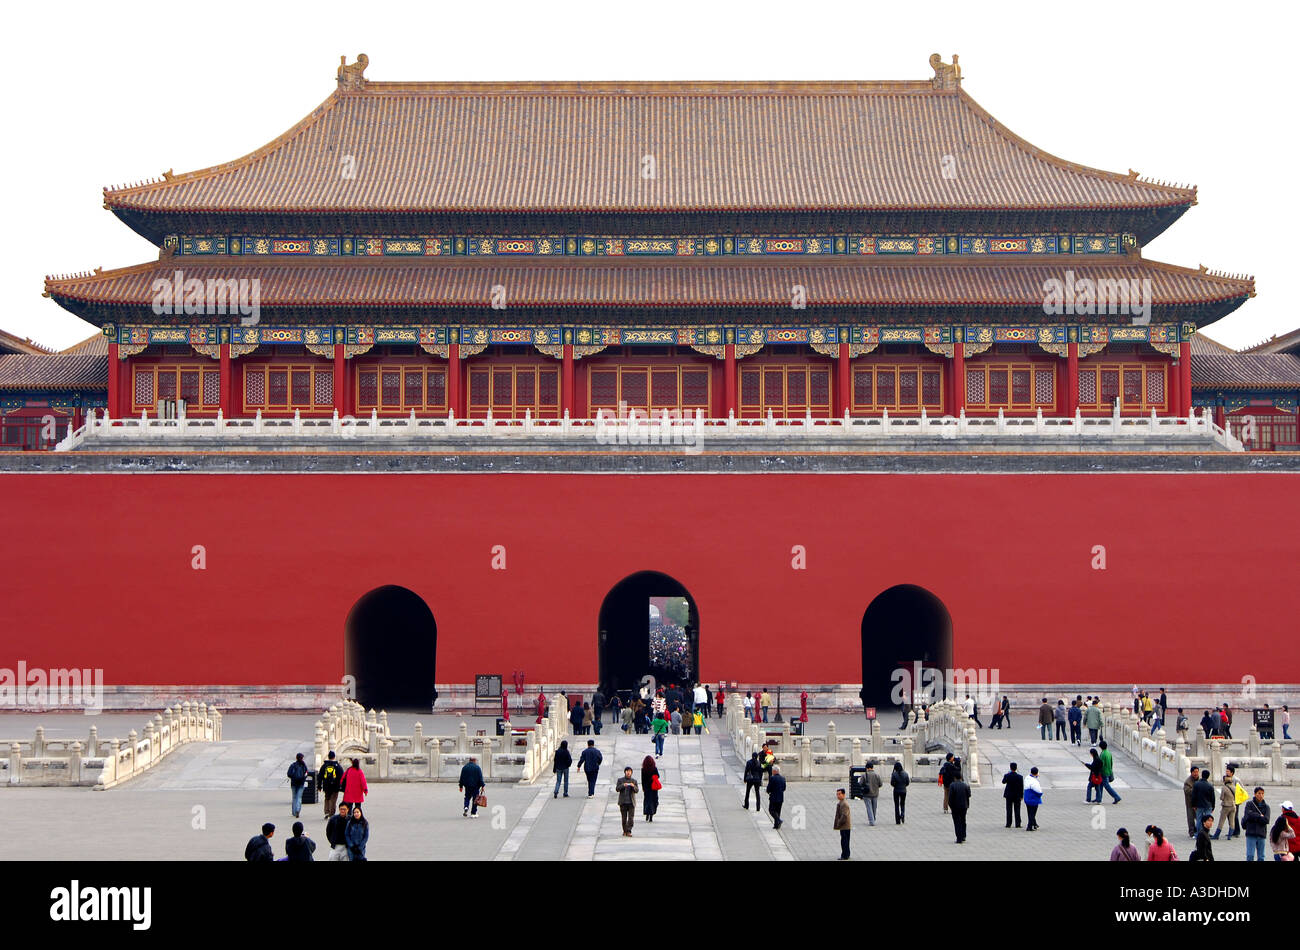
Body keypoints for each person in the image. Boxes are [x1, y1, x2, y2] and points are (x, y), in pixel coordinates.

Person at [1242, 787, 1269, 861]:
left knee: (1261, 857)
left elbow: (1266, 820)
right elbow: (1248, 815)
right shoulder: (1249, 804)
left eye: (1262, 793)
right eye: (1259, 793)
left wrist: (1254, 815)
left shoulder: (1266, 807)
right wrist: (1259, 816)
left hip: (1261, 834)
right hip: (1251, 833)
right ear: (1255, 794)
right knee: (1250, 856)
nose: (1261, 795)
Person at [1212, 770, 1239, 839]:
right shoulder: (1234, 787)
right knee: (1232, 821)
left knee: (1221, 821)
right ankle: (1230, 836)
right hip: (1233, 806)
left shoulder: (1224, 788)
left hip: (1226, 806)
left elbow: (1221, 797)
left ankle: (1216, 835)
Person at [317, 751, 343, 818]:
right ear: (334, 757)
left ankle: (326, 811)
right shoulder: (338, 766)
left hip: (326, 786)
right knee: (333, 800)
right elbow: (342, 776)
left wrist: (319, 786)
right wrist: (342, 786)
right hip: (335, 786)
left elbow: (320, 776)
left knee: (327, 798)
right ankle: (331, 814)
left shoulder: (324, 766)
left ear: (328, 757)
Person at [947, 769, 971, 844]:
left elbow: (950, 797)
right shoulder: (965, 785)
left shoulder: (952, 785)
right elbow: (969, 795)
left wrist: (950, 806)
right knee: (963, 821)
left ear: (954, 778)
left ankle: (959, 838)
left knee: (957, 822)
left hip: (955, 807)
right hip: (964, 806)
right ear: (961, 777)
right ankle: (963, 836)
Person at [1191, 769, 1216, 836]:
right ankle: (1207, 832)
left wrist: (1193, 805)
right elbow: (1212, 798)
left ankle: (1197, 833)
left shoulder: (1196, 784)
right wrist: (1213, 806)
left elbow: (1193, 796)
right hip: (1208, 805)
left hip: (1199, 805)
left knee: (1199, 819)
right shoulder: (1210, 786)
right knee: (1208, 820)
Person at [615, 767, 639, 836]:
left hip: (631, 802)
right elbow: (617, 789)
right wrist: (623, 785)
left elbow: (637, 790)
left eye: (630, 771)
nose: (628, 773)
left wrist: (633, 786)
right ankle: (625, 830)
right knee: (624, 818)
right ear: (625, 772)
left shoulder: (634, 781)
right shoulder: (620, 780)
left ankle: (629, 831)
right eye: (627, 771)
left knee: (631, 818)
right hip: (623, 802)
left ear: (631, 773)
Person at [286, 752, 309, 819]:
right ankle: (297, 810)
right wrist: (303, 778)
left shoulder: (293, 765)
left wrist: (293, 777)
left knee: (294, 797)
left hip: (293, 783)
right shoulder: (303, 765)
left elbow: (288, 774)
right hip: (301, 783)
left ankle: (293, 812)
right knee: (299, 797)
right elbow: (306, 773)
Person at [1001, 762, 1023, 829]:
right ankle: (1018, 824)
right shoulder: (1020, 777)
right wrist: (1022, 796)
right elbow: (1021, 787)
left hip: (1009, 795)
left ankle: (1008, 824)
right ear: (1016, 768)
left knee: (1009, 809)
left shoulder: (1007, 775)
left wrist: (1007, 774)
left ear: (1010, 768)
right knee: (1017, 809)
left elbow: (1003, 782)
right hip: (1017, 795)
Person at [1182, 766, 1201, 838]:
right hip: (1190, 803)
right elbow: (1187, 791)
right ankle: (1192, 832)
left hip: (1198, 803)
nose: (1196, 773)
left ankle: (1200, 830)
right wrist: (1196, 789)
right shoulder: (1188, 782)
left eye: (1197, 772)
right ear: (1191, 772)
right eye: (1194, 772)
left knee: (1199, 817)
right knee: (1191, 818)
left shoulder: (1200, 780)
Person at [833, 788, 852, 859]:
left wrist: (839, 822)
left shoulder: (844, 804)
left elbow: (844, 815)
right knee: (845, 840)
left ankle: (845, 855)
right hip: (845, 826)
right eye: (837, 794)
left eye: (839, 794)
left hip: (844, 826)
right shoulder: (841, 803)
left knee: (844, 841)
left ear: (843, 795)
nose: (838, 796)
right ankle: (847, 854)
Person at [862, 761, 881, 826]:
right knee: (874, 807)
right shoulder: (877, 775)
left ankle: (871, 821)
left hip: (867, 794)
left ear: (867, 768)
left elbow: (860, 783)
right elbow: (880, 784)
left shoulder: (864, 775)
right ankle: (873, 819)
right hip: (875, 794)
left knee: (869, 807)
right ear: (872, 767)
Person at [641, 755, 659, 822]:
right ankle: (651, 815)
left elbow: (642, 779)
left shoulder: (643, 769)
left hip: (646, 788)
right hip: (654, 787)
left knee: (647, 801)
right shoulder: (654, 768)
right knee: (654, 800)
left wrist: (643, 787)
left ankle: (647, 814)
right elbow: (658, 776)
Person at [768, 765, 786, 829]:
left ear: (775, 771)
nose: (772, 772)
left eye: (772, 771)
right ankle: (776, 825)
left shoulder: (772, 778)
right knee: (778, 811)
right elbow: (784, 788)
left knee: (771, 810)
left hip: (773, 797)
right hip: (780, 797)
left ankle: (779, 820)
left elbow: (769, 788)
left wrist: (768, 791)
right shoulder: (783, 778)